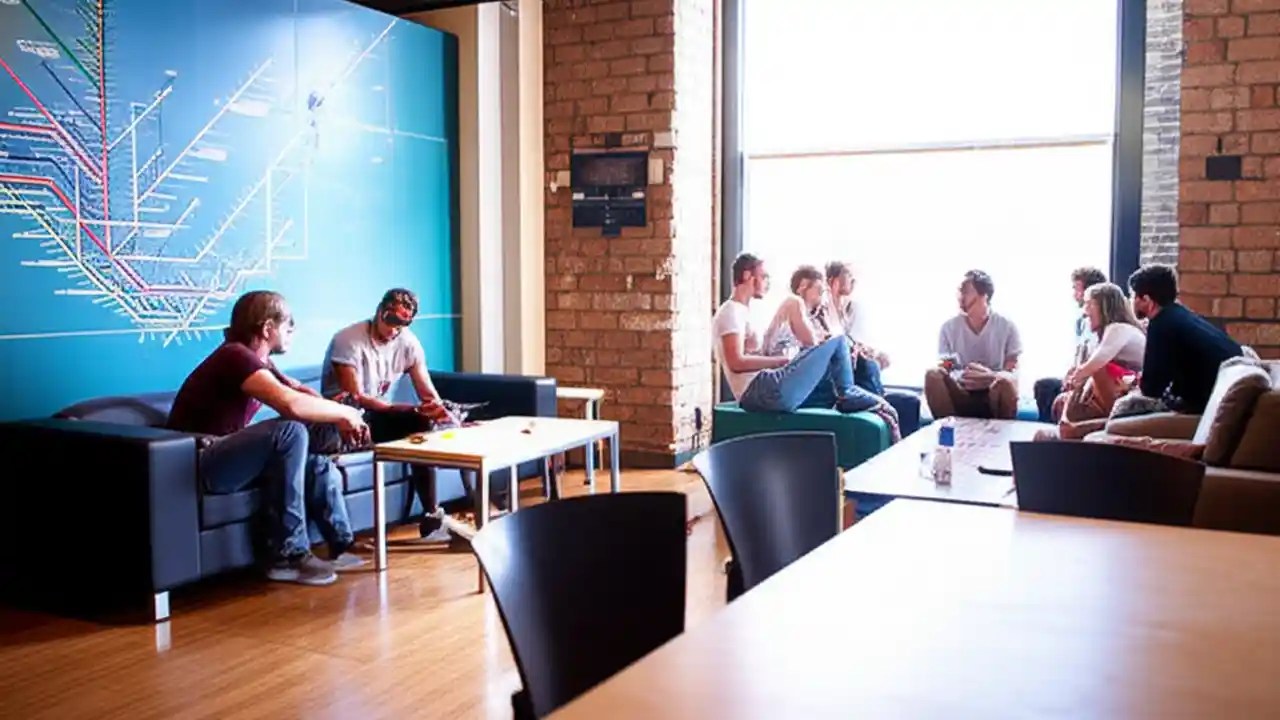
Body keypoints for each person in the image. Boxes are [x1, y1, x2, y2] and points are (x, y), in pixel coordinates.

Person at [167, 290, 371, 586]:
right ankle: (287, 556)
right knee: (289, 430)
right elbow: (289, 405)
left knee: (314, 459)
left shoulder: (260, 362)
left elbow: (301, 395)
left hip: (226, 457)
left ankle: (340, 543)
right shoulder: (234, 357)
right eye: (288, 325)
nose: (292, 332)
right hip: (196, 461)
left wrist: (342, 412)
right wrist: (345, 415)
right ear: (267, 329)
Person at [316, 288, 461, 540]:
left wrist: (442, 412)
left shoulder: (408, 342)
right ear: (380, 311)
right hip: (343, 421)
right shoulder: (348, 340)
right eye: (391, 321)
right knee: (413, 417)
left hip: (376, 417)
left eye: (402, 324)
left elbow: (427, 392)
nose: (395, 330)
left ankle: (432, 517)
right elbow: (355, 397)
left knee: (424, 424)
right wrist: (405, 408)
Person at [714, 253, 881, 416]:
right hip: (760, 389)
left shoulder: (743, 311)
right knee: (839, 341)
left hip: (764, 389)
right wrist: (782, 362)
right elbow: (736, 362)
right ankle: (848, 393)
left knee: (853, 365)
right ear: (747, 275)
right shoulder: (731, 311)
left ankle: (873, 404)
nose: (768, 282)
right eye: (764, 276)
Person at [760, 264, 900, 440]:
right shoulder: (792, 305)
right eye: (818, 288)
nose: (822, 293)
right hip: (789, 381)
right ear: (803, 286)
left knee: (864, 362)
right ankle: (864, 402)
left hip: (802, 379)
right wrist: (832, 345)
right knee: (858, 360)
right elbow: (810, 344)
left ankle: (872, 406)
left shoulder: (809, 316)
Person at [1128, 264, 1243, 414]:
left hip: (1205, 404)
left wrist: (1131, 387)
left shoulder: (1161, 324)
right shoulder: (1181, 315)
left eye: (1133, 295)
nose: (1131, 301)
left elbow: (1151, 389)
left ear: (1146, 300)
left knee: (1125, 408)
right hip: (1222, 392)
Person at [923, 270, 1022, 420]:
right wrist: (963, 376)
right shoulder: (949, 328)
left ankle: (1001, 433)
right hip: (961, 390)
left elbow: (1012, 371)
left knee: (1006, 381)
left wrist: (990, 376)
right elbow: (946, 365)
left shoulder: (1007, 326)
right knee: (932, 374)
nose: (960, 297)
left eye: (966, 291)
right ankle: (949, 431)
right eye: (959, 291)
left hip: (992, 392)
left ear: (984, 295)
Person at [1053, 282, 1147, 439]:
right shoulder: (1103, 334)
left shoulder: (1119, 329)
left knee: (1096, 371)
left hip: (1133, 392)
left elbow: (1096, 363)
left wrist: (1075, 379)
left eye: (1089, 304)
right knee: (1064, 399)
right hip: (1119, 389)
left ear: (1104, 307)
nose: (1085, 311)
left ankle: (1073, 424)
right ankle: (1072, 424)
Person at [1034, 266, 1108, 421]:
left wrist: (1078, 378)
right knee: (1043, 387)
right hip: (1078, 376)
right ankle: (1049, 437)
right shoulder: (1081, 322)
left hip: (1092, 382)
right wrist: (1070, 374)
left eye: (1077, 289)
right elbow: (1079, 356)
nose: (1074, 295)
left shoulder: (1105, 325)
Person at [815, 260, 890, 395]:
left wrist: (872, 352)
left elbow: (852, 340)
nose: (853, 280)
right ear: (833, 281)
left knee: (908, 401)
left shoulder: (847, 310)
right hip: (834, 367)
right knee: (869, 365)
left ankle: (879, 401)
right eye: (848, 275)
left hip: (850, 361)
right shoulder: (822, 309)